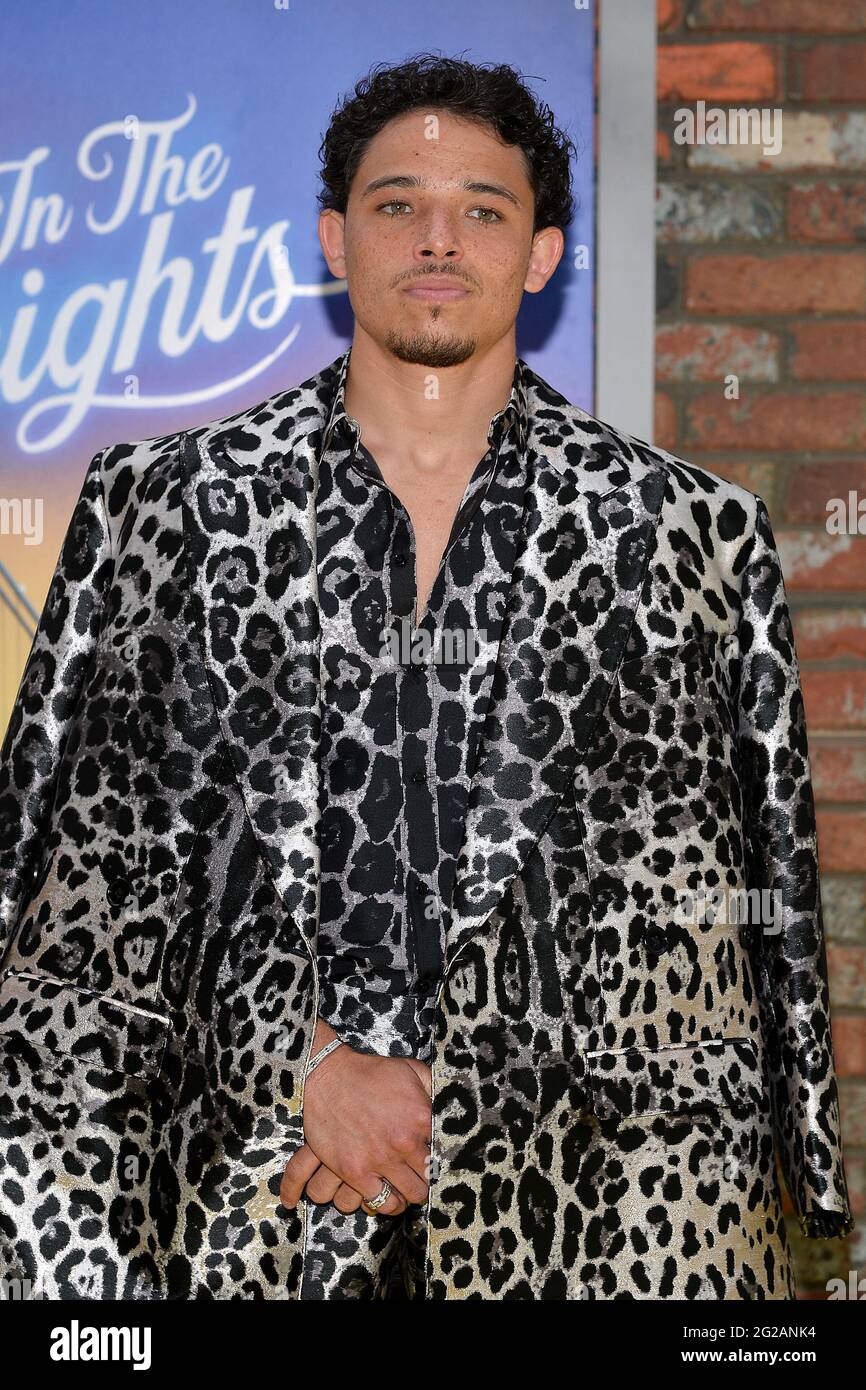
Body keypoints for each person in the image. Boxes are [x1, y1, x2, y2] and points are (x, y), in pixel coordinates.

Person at [0, 54, 853, 1302]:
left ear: (544, 253)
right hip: (238, 1201)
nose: (438, 239)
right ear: (334, 241)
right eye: (398, 204)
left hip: (594, 1214)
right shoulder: (164, 509)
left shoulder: (687, 538)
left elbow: (719, 924)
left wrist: (465, 1100)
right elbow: (87, 892)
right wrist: (305, 1070)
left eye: (484, 209)